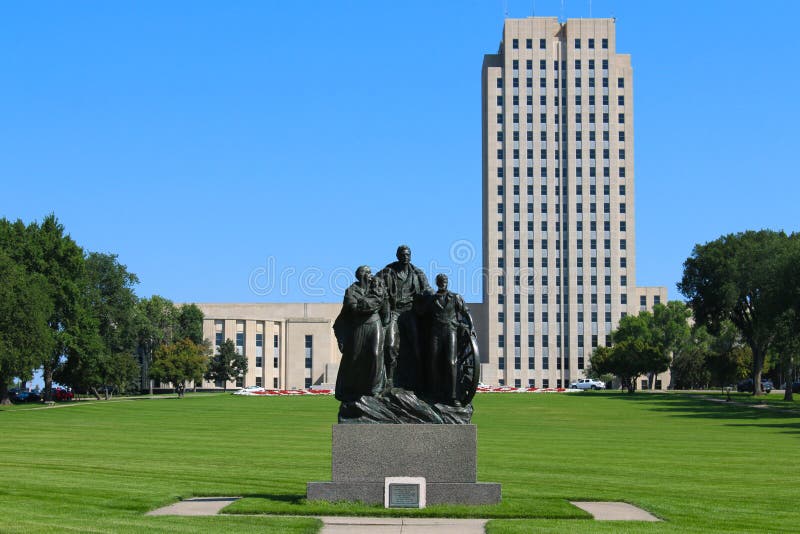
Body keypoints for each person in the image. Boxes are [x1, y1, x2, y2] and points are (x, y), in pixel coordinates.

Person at [378, 245, 432, 391]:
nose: (405, 257)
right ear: (397, 256)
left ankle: (419, 379)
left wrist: (435, 296)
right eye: (402, 254)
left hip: (410, 312)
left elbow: (427, 289)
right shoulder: (387, 272)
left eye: (408, 255)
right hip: (394, 311)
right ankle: (389, 379)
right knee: (389, 345)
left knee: (417, 345)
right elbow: (375, 285)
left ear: (411, 256)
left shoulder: (417, 273)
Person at [333, 266, 388, 402]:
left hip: (375, 323)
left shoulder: (377, 287)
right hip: (359, 326)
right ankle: (352, 388)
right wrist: (371, 304)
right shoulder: (352, 290)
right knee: (355, 357)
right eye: (367, 272)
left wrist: (382, 308)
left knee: (376, 354)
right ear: (360, 276)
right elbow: (352, 308)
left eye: (370, 272)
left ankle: (375, 389)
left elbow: (385, 309)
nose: (370, 275)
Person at [421, 274, 474, 406]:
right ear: (437, 283)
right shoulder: (431, 300)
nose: (443, 283)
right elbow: (422, 314)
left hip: (451, 331)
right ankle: (434, 393)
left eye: (444, 281)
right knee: (433, 362)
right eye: (440, 281)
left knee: (451, 362)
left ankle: (453, 396)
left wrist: (471, 327)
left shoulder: (455, 297)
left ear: (447, 283)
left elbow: (466, 313)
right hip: (436, 333)